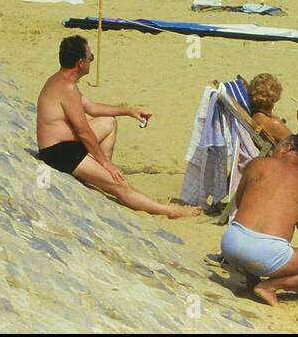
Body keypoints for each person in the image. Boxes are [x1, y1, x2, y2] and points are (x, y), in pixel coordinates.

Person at [36, 35, 200, 218]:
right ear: (80, 63)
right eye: (91, 57)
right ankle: (170, 211)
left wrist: (129, 111)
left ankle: (101, 178)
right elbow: (84, 133)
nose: (92, 60)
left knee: (109, 121)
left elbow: (93, 108)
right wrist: (106, 164)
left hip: (65, 144)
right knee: (121, 185)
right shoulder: (67, 88)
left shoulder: (61, 80)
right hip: (58, 153)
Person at [220, 134, 298, 306]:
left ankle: (253, 281)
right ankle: (269, 287)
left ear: (286, 147)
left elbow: (240, 202)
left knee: (254, 237)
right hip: (266, 254)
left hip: (230, 242)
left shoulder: (257, 164)